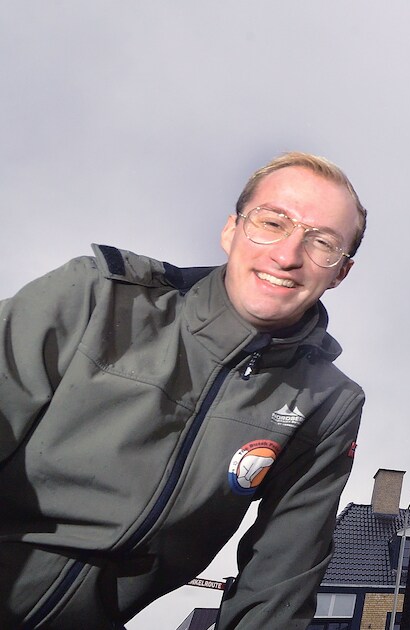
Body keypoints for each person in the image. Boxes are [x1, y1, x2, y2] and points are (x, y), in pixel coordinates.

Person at [1, 152, 368, 629]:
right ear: (231, 231)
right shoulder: (96, 298)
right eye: (272, 223)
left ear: (340, 273)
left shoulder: (328, 405)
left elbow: (279, 582)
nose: (287, 256)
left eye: (322, 243)